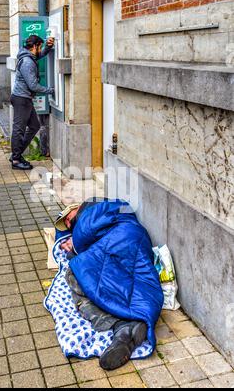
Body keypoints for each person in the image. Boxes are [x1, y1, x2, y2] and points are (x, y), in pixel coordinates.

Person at [55, 198, 164, 371]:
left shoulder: (91, 209)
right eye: (67, 226)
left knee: (76, 273)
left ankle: (120, 326)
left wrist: (75, 245)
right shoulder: (97, 213)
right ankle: (124, 332)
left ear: (75, 208)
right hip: (131, 238)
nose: (69, 224)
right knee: (123, 282)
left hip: (126, 236)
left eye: (68, 218)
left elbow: (90, 227)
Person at [10, 35, 55, 170]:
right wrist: (50, 90)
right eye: (39, 46)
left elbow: (40, 55)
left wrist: (48, 46)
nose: (40, 49)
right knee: (19, 130)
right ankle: (16, 160)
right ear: (34, 46)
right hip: (21, 99)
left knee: (34, 126)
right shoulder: (28, 62)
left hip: (25, 98)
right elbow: (33, 85)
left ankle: (16, 154)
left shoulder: (28, 57)